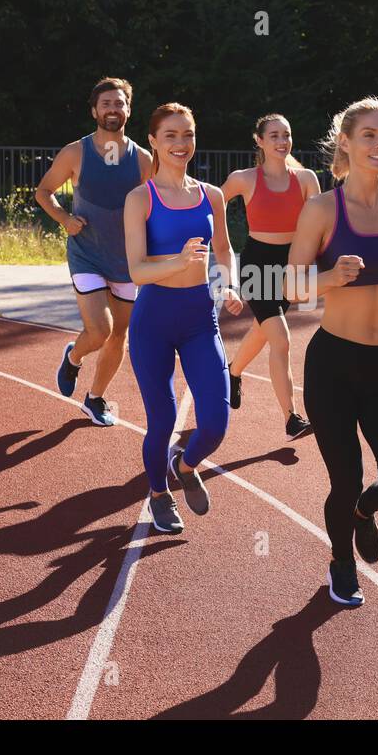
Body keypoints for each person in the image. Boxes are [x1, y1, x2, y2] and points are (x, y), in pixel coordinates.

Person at [287, 97, 378, 606]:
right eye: (369, 135)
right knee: (345, 479)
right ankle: (341, 563)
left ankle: (367, 511)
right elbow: (291, 285)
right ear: (345, 141)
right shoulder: (322, 209)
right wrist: (330, 276)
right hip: (333, 367)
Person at [123, 103, 243, 534]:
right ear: (153, 141)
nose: (180, 144)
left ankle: (185, 464)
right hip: (153, 319)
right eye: (170, 135)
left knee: (215, 421)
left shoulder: (211, 195)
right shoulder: (140, 198)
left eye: (188, 135)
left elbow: (224, 251)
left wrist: (226, 286)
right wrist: (175, 262)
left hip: (199, 318)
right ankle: (159, 492)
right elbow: (137, 270)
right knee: (162, 420)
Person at [36, 78, 152, 426]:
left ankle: (95, 398)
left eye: (119, 103)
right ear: (94, 111)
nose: (113, 109)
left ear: (128, 110)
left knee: (120, 334)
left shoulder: (144, 160)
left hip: (127, 260)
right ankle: (74, 357)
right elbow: (44, 192)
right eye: (106, 103)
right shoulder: (76, 152)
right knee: (100, 330)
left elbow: (156, 205)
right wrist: (64, 218)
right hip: (86, 253)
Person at [219, 114, 322, 438]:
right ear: (259, 140)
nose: (282, 141)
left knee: (263, 330)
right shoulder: (244, 178)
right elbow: (209, 206)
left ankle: (233, 373)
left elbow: (318, 225)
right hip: (257, 265)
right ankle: (292, 418)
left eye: (286, 135)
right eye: (274, 135)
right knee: (281, 337)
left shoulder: (306, 179)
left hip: (290, 266)